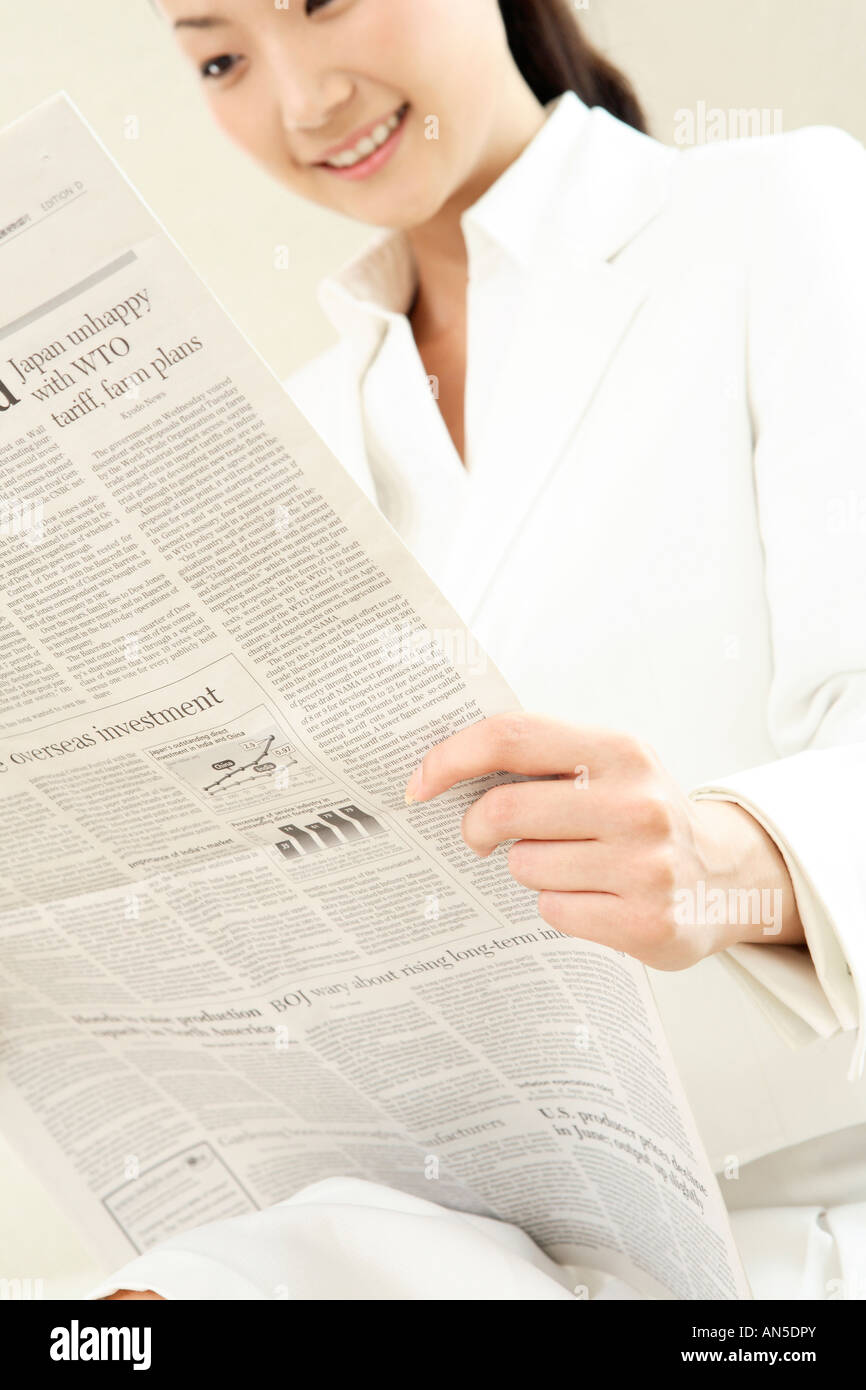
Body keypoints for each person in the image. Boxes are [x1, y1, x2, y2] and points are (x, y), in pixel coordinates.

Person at [94, 0, 866, 1299]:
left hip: (785, 1242)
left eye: (323, 0)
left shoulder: (777, 215)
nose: (300, 101)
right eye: (220, 58)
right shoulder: (294, 428)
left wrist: (733, 858)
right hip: (439, 1236)